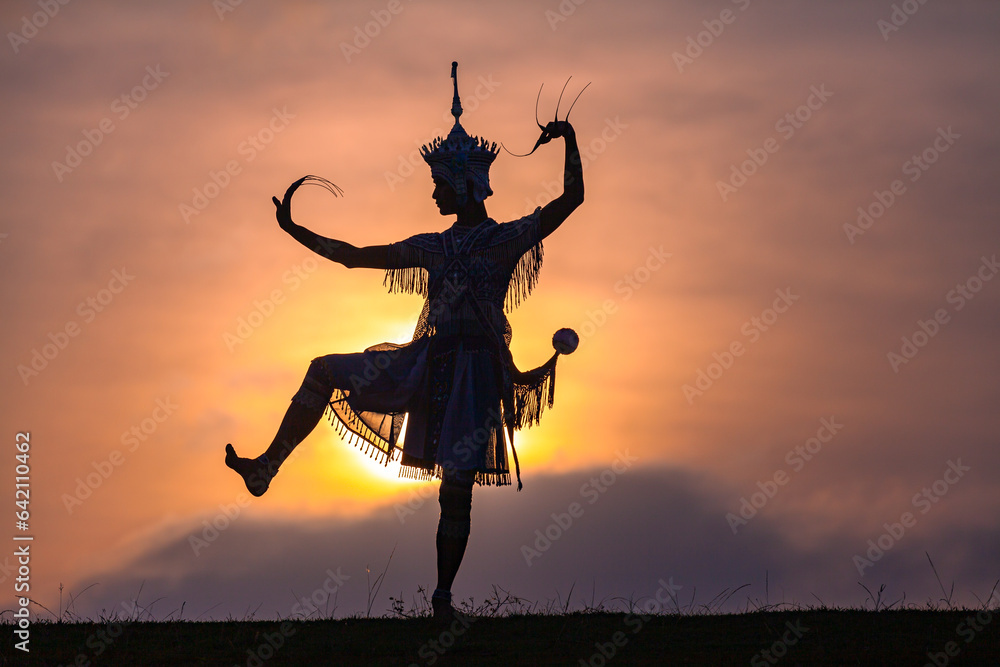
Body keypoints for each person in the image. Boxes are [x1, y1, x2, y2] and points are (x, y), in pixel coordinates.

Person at [225, 62, 583, 620]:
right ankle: (267, 465)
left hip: (474, 373)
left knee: (455, 491)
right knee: (323, 369)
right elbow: (353, 256)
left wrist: (570, 140)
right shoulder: (434, 246)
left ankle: (442, 601)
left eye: (441, 184)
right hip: (427, 363)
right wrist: (298, 233)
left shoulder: (503, 239)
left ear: (465, 184)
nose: (436, 193)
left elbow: (571, 199)